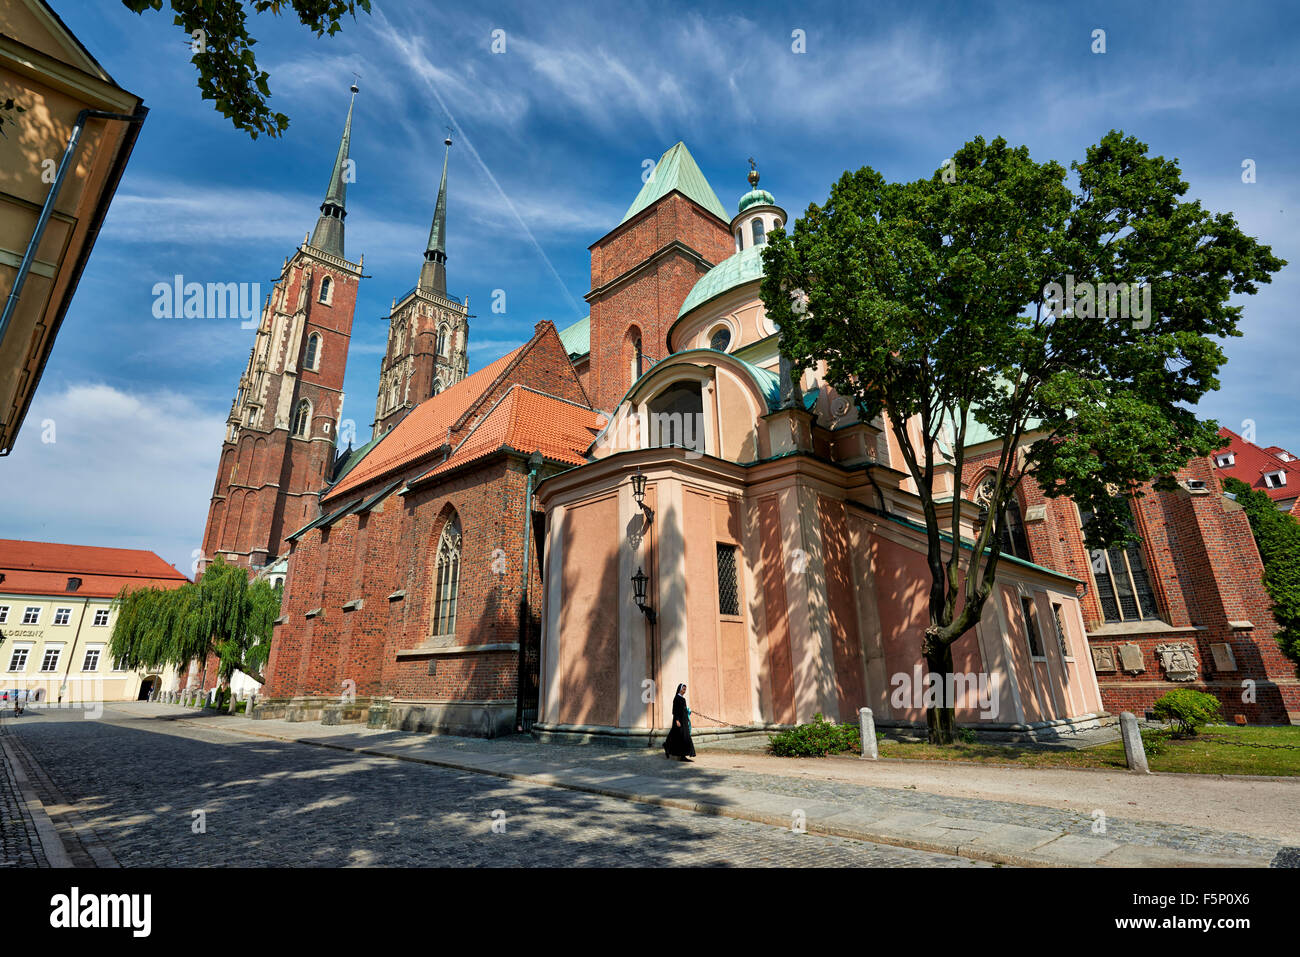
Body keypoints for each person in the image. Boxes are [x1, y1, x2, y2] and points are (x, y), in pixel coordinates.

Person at [663, 683, 695, 761]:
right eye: (683, 689)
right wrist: (677, 720)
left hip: (684, 720)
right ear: (680, 689)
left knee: (675, 736)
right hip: (678, 720)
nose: (684, 691)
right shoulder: (676, 698)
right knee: (682, 736)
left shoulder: (683, 699)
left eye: (685, 690)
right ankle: (682, 755)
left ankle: (667, 746)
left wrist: (687, 712)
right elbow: (675, 710)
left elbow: (683, 709)